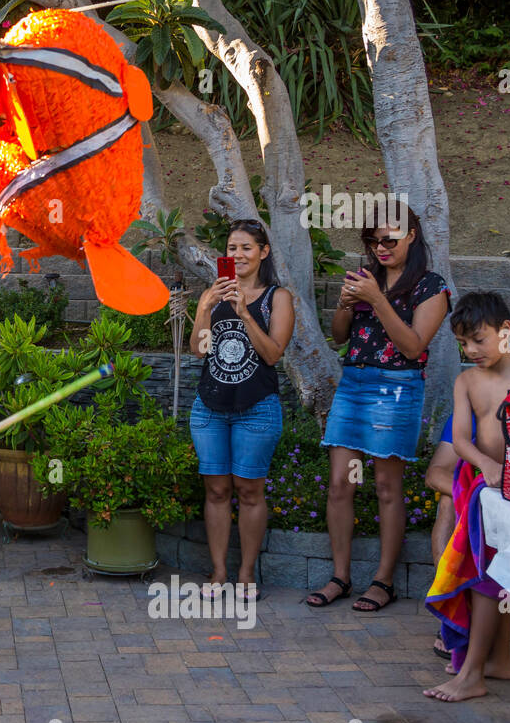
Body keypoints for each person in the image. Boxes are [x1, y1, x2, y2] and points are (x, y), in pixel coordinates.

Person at [307, 202, 450, 612]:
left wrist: (377, 298)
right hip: (354, 383)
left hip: (396, 388)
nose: (380, 247)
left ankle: (383, 582)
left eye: (389, 239)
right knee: (340, 483)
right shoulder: (365, 277)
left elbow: (412, 345)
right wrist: (347, 303)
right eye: (372, 240)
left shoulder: (430, 286)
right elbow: (338, 336)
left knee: (387, 486)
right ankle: (341, 577)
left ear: (411, 236)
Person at [424, 292, 510, 702]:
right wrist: (486, 464)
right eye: (463, 343)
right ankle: (478, 670)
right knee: (485, 575)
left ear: (505, 331)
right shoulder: (468, 380)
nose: (471, 351)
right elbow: (461, 439)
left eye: (478, 340)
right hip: (486, 488)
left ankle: (492, 664)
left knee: (497, 576)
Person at [189, 219, 295, 601]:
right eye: (232, 248)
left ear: (263, 252)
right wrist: (205, 305)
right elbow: (199, 349)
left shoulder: (277, 297)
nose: (238, 255)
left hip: (256, 408)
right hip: (210, 407)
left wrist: (244, 313)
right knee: (216, 490)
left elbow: (272, 354)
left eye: (247, 248)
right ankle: (219, 573)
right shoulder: (213, 294)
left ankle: (247, 575)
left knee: (250, 491)